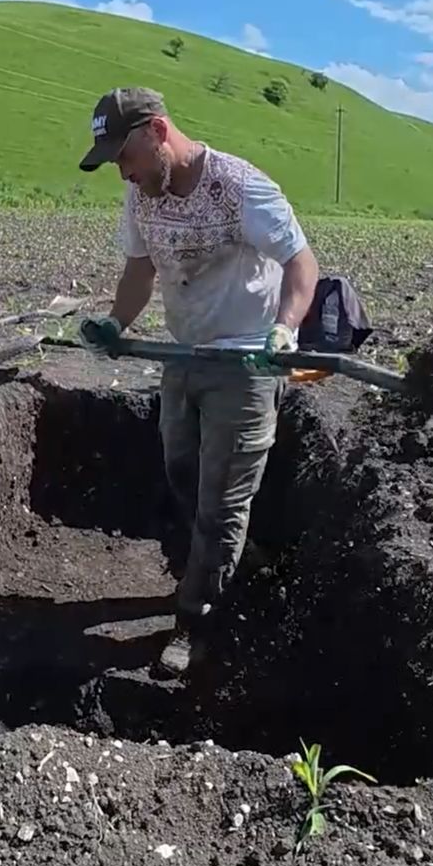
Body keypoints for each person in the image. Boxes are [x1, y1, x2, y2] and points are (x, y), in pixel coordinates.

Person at [74, 86, 319, 678]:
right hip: (183, 356)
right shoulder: (142, 195)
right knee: (182, 471)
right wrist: (115, 322)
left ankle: (197, 621)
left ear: (158, 132)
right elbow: (140, 268)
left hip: (244, 366)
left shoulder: (240, 186)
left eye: (124, 156)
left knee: (220, 505)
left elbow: (301, 263)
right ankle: (238, 558)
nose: (122, 173)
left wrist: (285, 329)